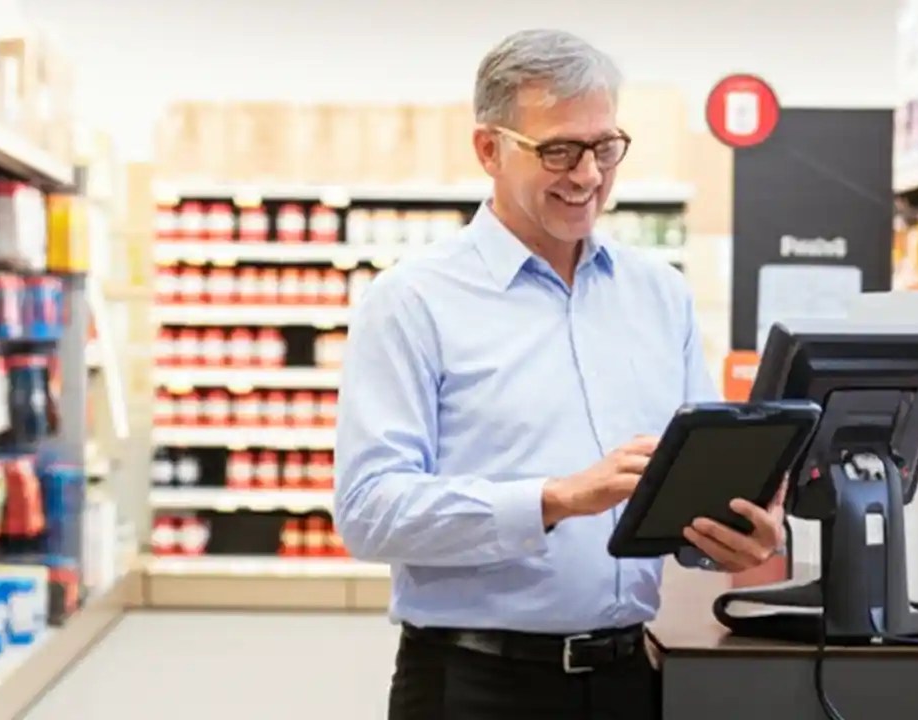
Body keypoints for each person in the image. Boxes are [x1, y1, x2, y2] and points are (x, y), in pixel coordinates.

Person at [332, 28, 787, 720]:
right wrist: (554, 498)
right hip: (473, 683)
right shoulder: (413, 301)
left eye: (605, 147)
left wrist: (734, 534)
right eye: (558, 151)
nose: (588, 175)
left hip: (629, 675)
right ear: (489, 149)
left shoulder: (657, 294)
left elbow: (690, 486)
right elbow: (369, 511)